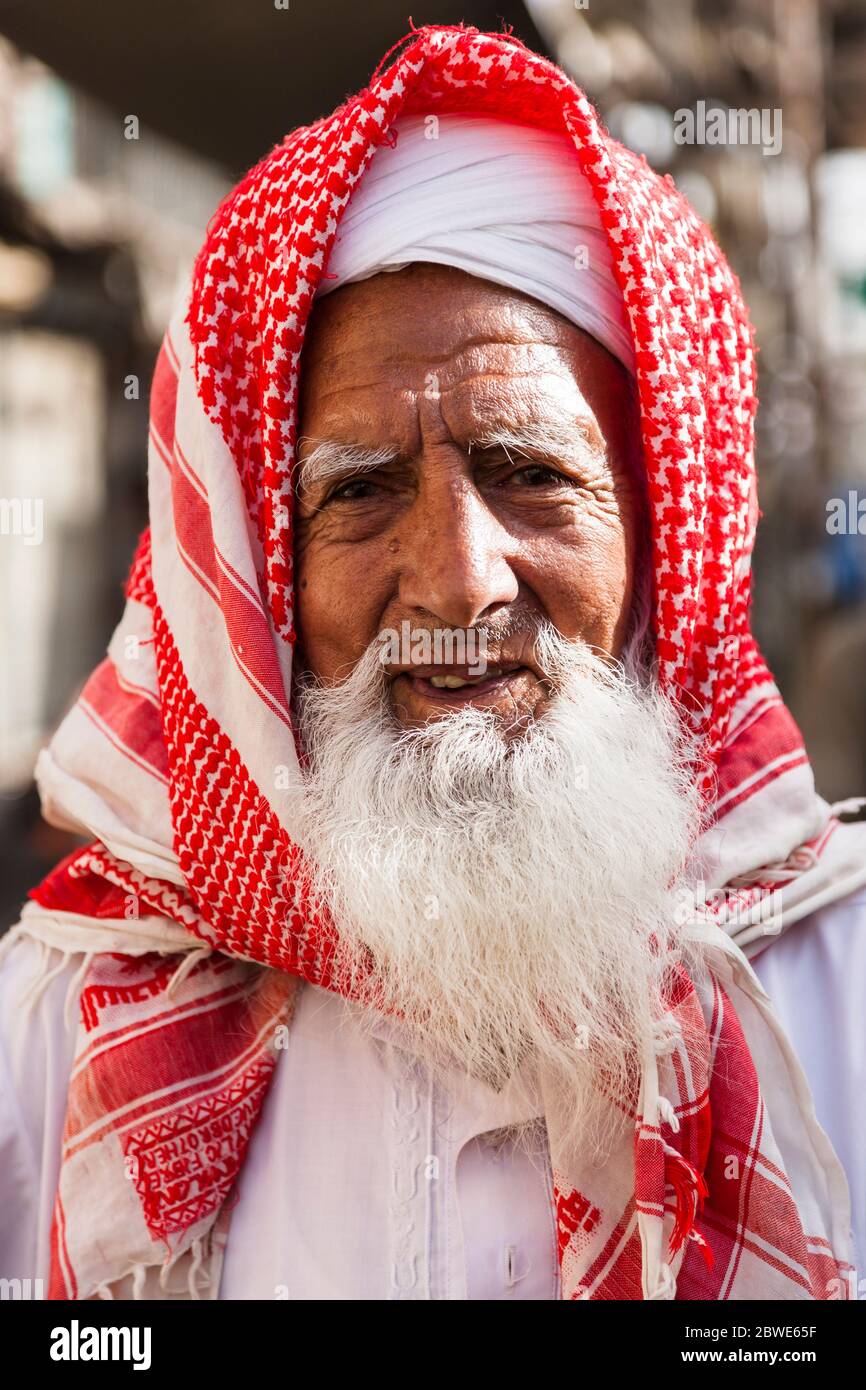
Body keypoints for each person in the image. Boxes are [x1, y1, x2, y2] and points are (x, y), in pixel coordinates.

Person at [1, 23, 864, 1302]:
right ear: (262, 576)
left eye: (530, 475)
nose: (459, 578)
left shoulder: (835, 996)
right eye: (358, 491)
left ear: (661, 527)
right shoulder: (59, 1030)